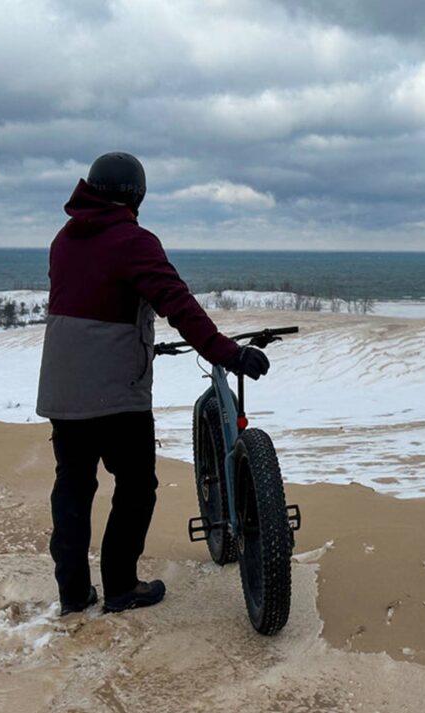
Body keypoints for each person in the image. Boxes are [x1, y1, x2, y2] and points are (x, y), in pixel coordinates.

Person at [35, 152, 269, 615]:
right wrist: (228, 352)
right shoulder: (132, 241)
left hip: (62, 386)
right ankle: (121, 587)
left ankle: (73, 594)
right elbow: (176, 304)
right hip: (115, 391)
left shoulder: (64, 239)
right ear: (136, 196)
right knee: (138, 485)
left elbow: (94, 299)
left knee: (74, 486)